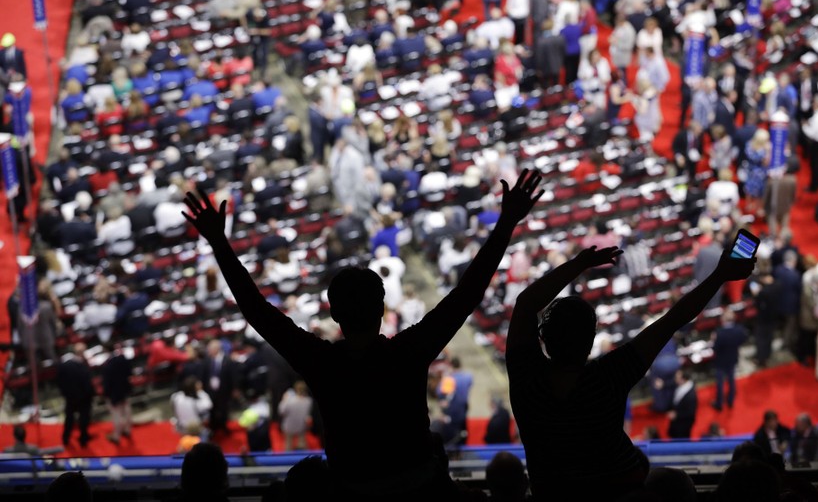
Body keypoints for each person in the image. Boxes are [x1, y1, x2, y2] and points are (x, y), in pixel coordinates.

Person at [182, 169, 544, 499]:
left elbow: (257, 310)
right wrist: (507, 220)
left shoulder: (322, 362)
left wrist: (218, 242)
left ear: (335, 313)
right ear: (382, 311)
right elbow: (468, 292)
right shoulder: (408, 352)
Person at [505, 244, 755, 500]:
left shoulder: (526, 379)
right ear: (590, 341)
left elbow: (525, 304)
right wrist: (719, 276)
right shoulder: (609, 375)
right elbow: (674, 319)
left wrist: (578, 264)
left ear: (543, 338)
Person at [57, 343, 95, 448]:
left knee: (69, 418)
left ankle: (66, 438)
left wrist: (65, 394)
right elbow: (87, 384)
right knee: (83, 418)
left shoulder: (65, 365)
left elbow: (60, 381)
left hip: (70, 397)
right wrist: (90, 395)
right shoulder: (82, 366)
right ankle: (83, 438)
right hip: (83, 398)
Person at [711, 308, 748, 411]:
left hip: (720, 361)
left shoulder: (719, 333)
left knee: (720, 383)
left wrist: (713, 340)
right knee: (731, 380)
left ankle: (719, 404)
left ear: (724, 319)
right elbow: (743, 340)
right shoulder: (739, 329)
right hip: (733, 358)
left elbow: (715, 348)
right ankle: (730, 401)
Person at [101, 344, 133, 444]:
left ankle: (116, 436)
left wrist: (106, 394)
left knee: (116, 414)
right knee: (127, 410)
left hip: (114, 393)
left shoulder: (108, 364)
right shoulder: (123, 358)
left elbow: (107, 382)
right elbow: (129, 373)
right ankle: (127, 430)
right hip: (125, 389)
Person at [279, 381, 313, 451]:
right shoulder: (309, 401)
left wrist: (284, 400)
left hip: (289, 426)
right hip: (301, 426)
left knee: (288, 444)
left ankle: (287, 458)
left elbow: (281, 411)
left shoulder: (290, 400)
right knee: (302, 442)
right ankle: (306, 458)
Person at [668, 369, 698, 439]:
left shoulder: (691, 396)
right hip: (677, 419)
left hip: (684, 422)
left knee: (682, 437)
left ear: (683, 380)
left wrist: (676, 415)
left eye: (677, 378)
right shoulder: (680, 385)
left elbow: (690, 412)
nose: (675, 379)